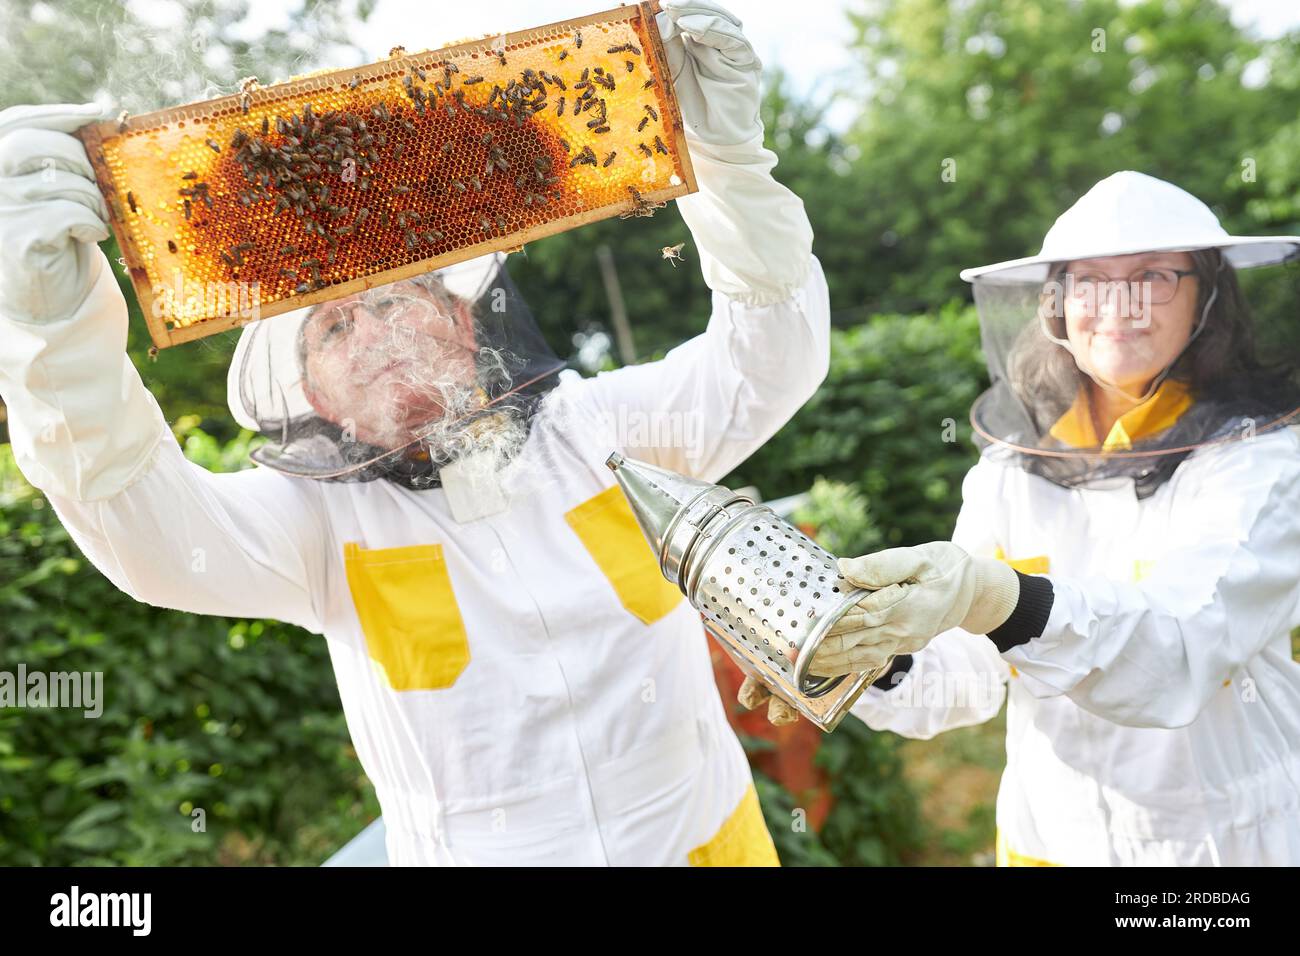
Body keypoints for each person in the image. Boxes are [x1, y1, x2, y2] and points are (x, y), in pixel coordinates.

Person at [0, 0, 831, 866]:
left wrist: (730, 162)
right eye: (328, 331)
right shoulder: (313, 527)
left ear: (465, 323)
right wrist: (51, 332)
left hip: (710, 843)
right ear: (316, 398)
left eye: (394, 298)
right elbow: (147, 534)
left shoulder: (605, 428)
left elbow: (771, 357)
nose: (371, 337)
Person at [744, 170, 1300, 866]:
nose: (1118, 304)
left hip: (1217, 853)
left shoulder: (1263, 465)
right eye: (1090, 280)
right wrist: (868, 654)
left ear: (1208, 297)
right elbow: (969, 674)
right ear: (1057, 304)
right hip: (1051, 841)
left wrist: (1003, 599)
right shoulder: (1013, 471)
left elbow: (1178, 651)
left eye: (1155, 275)